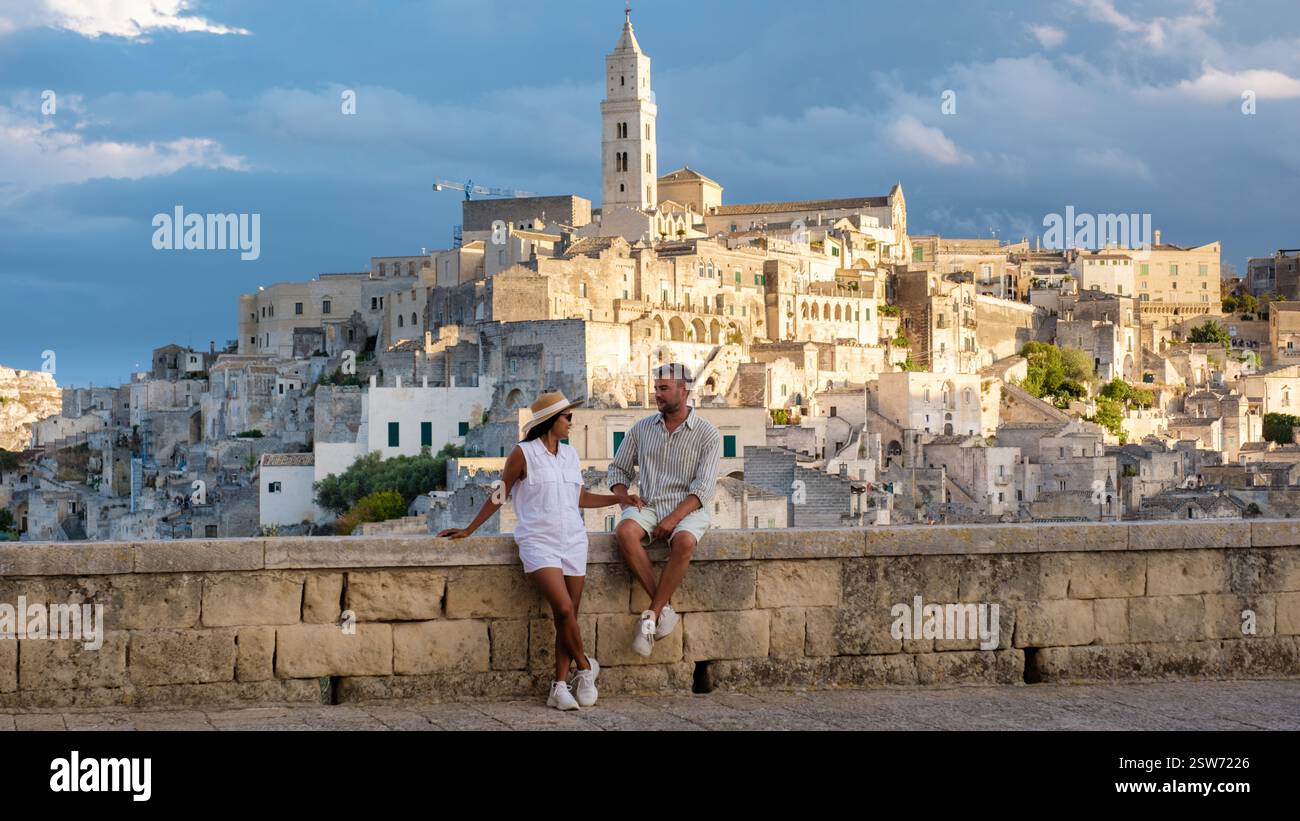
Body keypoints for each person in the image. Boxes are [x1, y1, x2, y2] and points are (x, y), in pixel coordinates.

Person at [438, 391, 637, 711]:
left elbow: (580, 498)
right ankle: (586, 668)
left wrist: (620, 500)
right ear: (550, 421)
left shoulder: (570, 455)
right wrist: (469, 528)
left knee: (568, 615)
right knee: (563, 610)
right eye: (566, 417)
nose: (571, 422)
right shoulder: (523, 453)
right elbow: (500, 492)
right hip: (537, 541)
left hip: (574, 539)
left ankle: (559, 686)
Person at [608, 363, 721, 657]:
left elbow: (704, 488)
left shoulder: (708, 434)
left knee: (684, 541)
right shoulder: (641, 428)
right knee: (624, 531)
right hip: (650, 504)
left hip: (689, 508)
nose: (656, 394)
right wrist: (625, 500)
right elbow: (618, 470)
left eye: (663, 389)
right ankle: (663, 610)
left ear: (683, 392)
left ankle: (651, 615)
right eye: (656, 388)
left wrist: (674, 518)